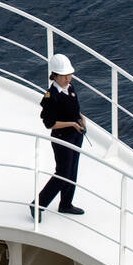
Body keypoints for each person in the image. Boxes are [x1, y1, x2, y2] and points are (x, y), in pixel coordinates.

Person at [31, 53, 86, 218]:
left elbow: (74, 109)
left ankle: (66, 203)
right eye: (64, 76)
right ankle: (38, 205)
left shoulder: (70, 88)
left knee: (72, 171)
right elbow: (50, 123)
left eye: (69, 75)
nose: (68, 78)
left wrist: (81, 119)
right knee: (63, 174)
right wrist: (72, 124)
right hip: (63, 138)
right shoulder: (51, 97)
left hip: (76, 135)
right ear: (55, 75)